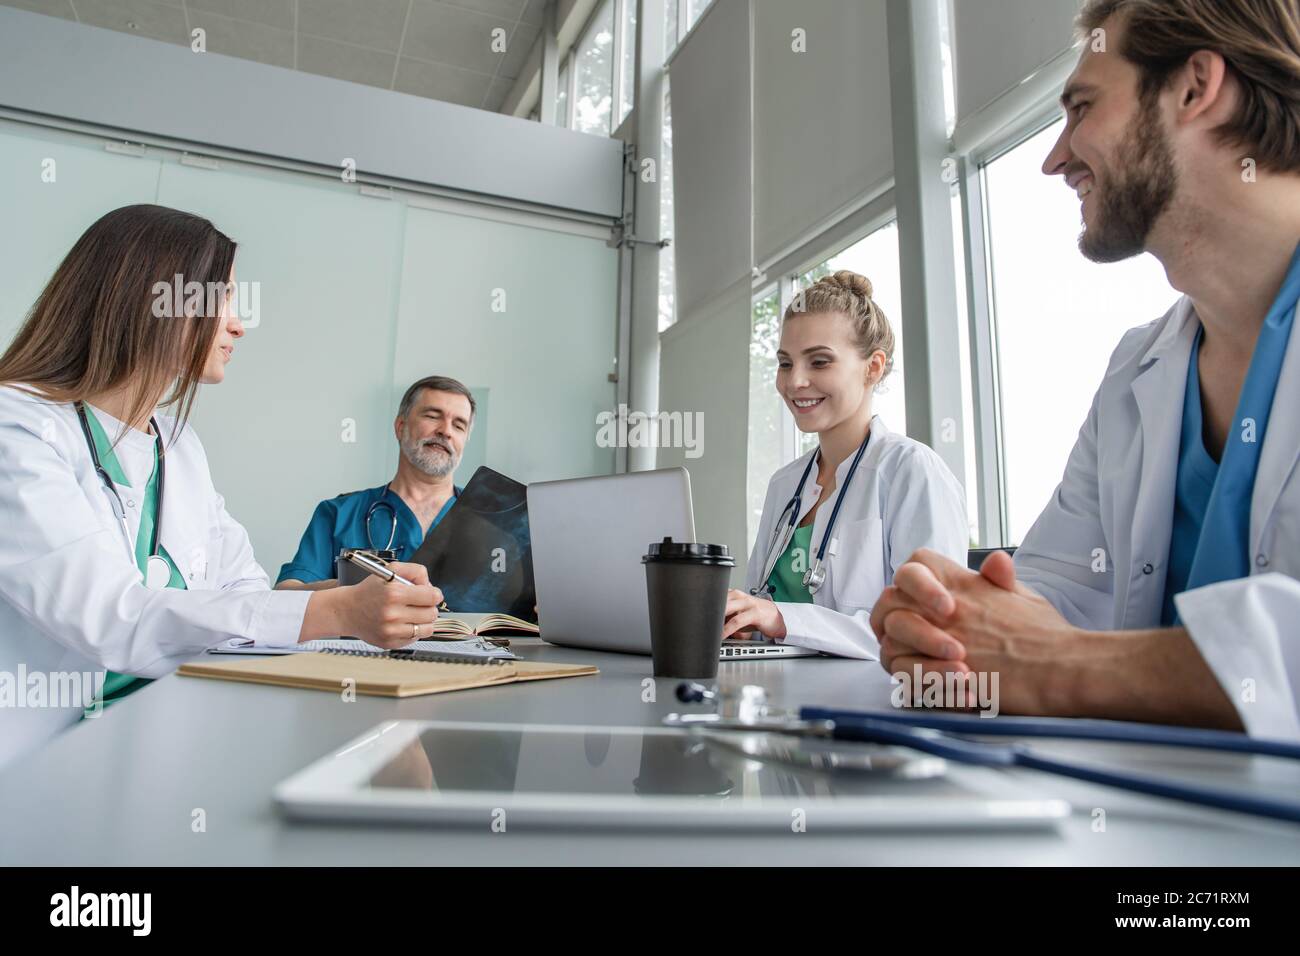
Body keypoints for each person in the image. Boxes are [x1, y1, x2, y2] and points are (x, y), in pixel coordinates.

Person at [871, 0, 1300, 737]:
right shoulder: (1140, 367)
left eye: (1081, 107)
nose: (1055, 156)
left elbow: (1052, 652)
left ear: (1195, 86)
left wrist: (1062, 663)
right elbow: (1056, 594)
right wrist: (950, 625)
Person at [0, 204, 443, 769]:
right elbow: (112, 616)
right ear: (152, 300)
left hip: (164, 743)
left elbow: (243, 594)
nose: (238, 323)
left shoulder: (178, 446)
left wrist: (355, 597)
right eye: (222, 301)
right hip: (39, 768)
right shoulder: (17, 427)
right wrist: (342, 614)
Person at [723, 271, 968, 659]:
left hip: (867, 699)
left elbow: (931, 629)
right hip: (772, 689)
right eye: (785, 364)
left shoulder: (911, 471)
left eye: (819, 362)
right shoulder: (785, 484)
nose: (795, 381)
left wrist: (784, 619)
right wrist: (741, 625)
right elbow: (763, 609)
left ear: (873, 368)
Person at [276, 376, 472, 590]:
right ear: (400, 427)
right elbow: (286, 593)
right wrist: (357, 591)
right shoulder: (339, 513)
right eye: (433, 416)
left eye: (459, 425)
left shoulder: (491, 522)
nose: (446, 431)